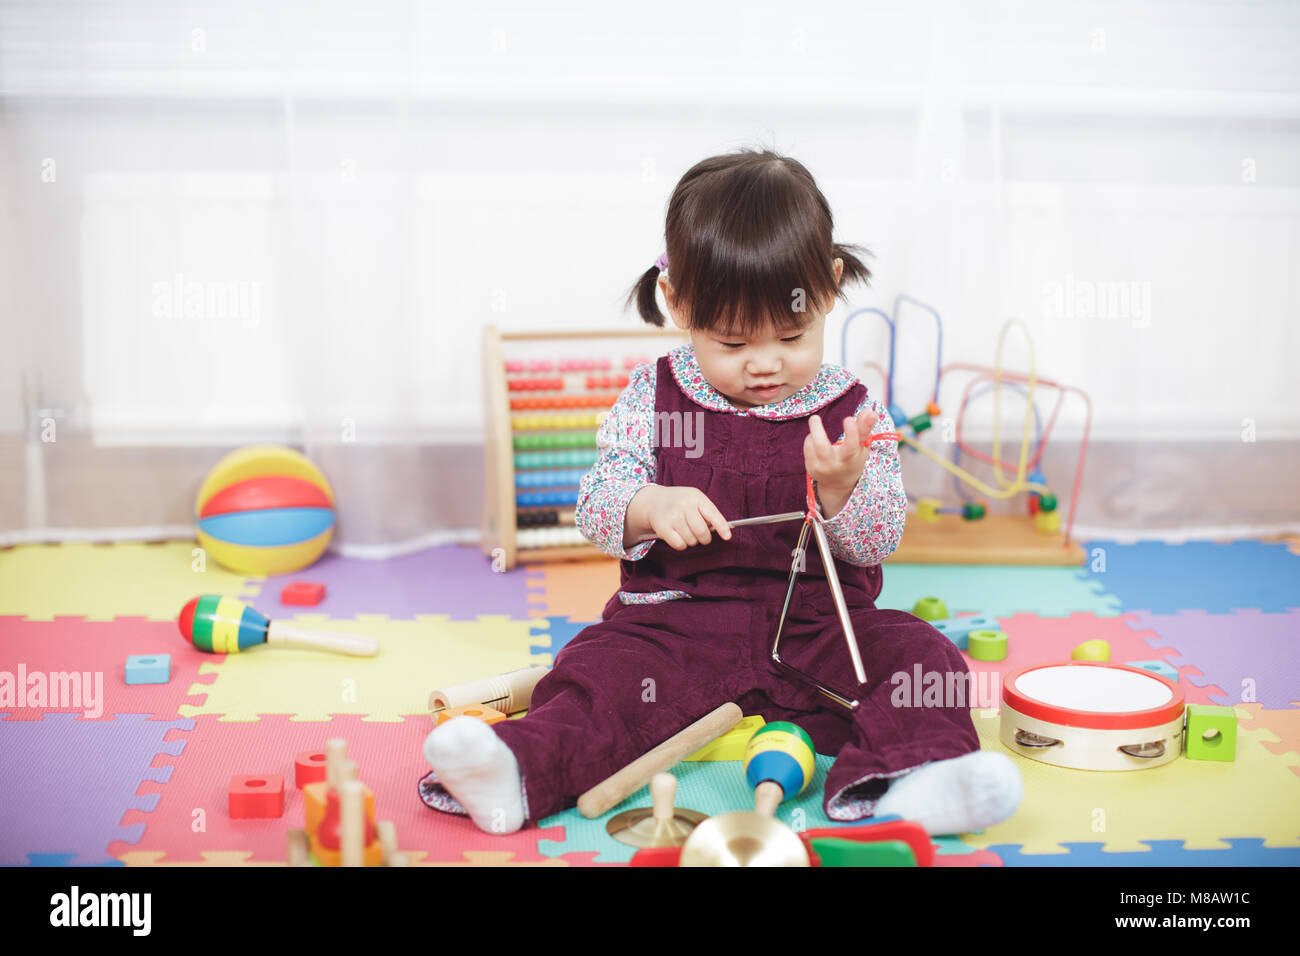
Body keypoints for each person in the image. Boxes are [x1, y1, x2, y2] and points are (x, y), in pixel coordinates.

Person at [419, 146, 1022, 836]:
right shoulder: (654, 395)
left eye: (792, 335)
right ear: (679, 304)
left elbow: (879, 538)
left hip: (818, 630)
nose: (765, 363)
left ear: (828, 289)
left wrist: (843, 490)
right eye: (733, 344)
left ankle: (917, 778)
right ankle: (515, 773)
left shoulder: (856, 411)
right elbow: (596, 501)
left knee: (922, 657)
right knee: (594, 675)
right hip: (673, 628)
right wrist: (649, 506)